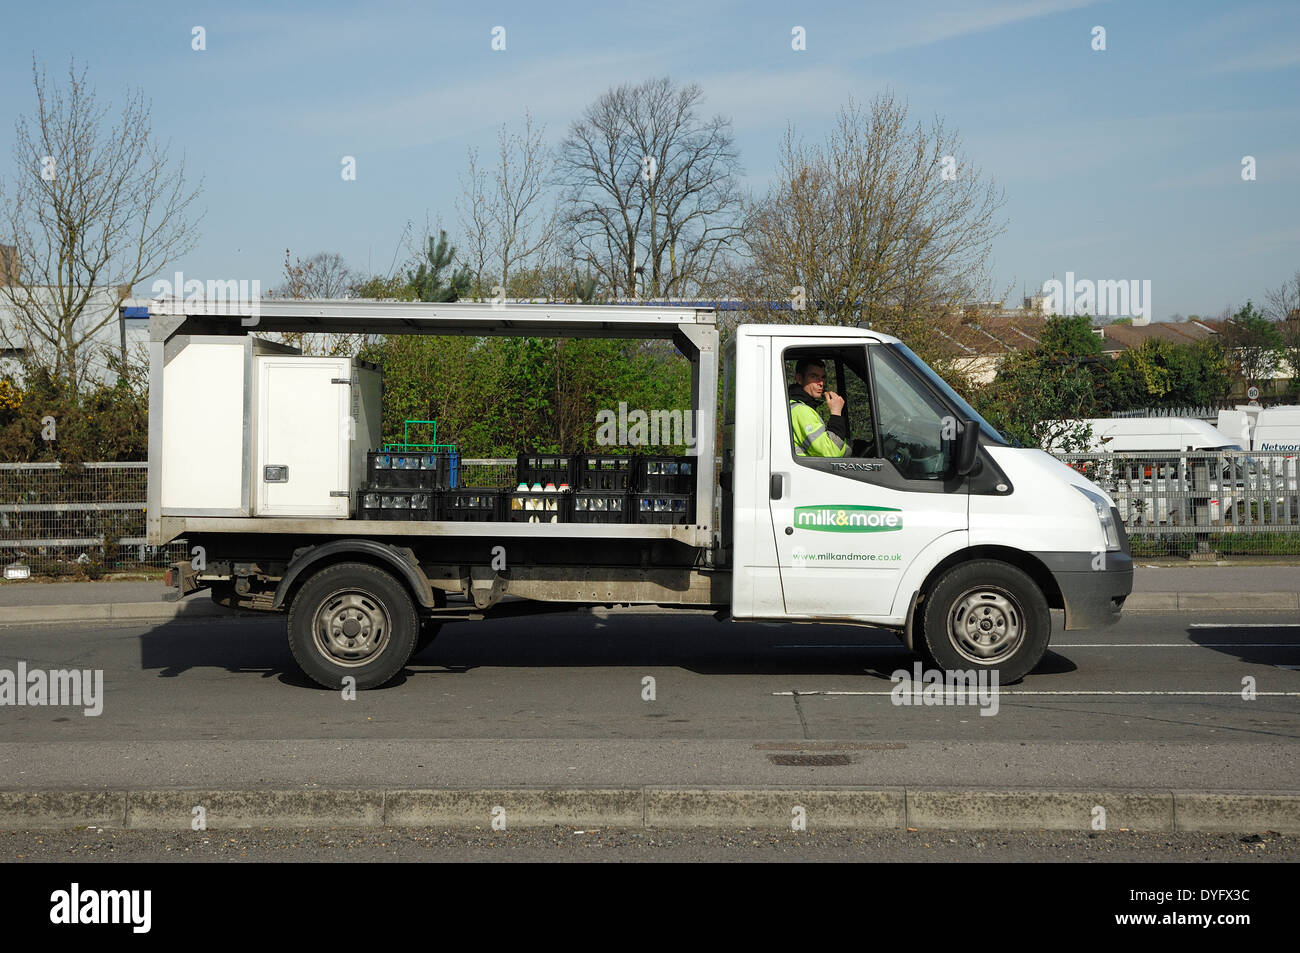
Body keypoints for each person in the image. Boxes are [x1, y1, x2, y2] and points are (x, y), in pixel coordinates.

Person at [789, 358, 849, 457]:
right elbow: (830, 452)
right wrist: (836, 413)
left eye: (823, 377)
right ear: (799, 379)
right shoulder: (801, 410)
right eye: (814, 376)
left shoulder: (801, 405)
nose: (821, 383)